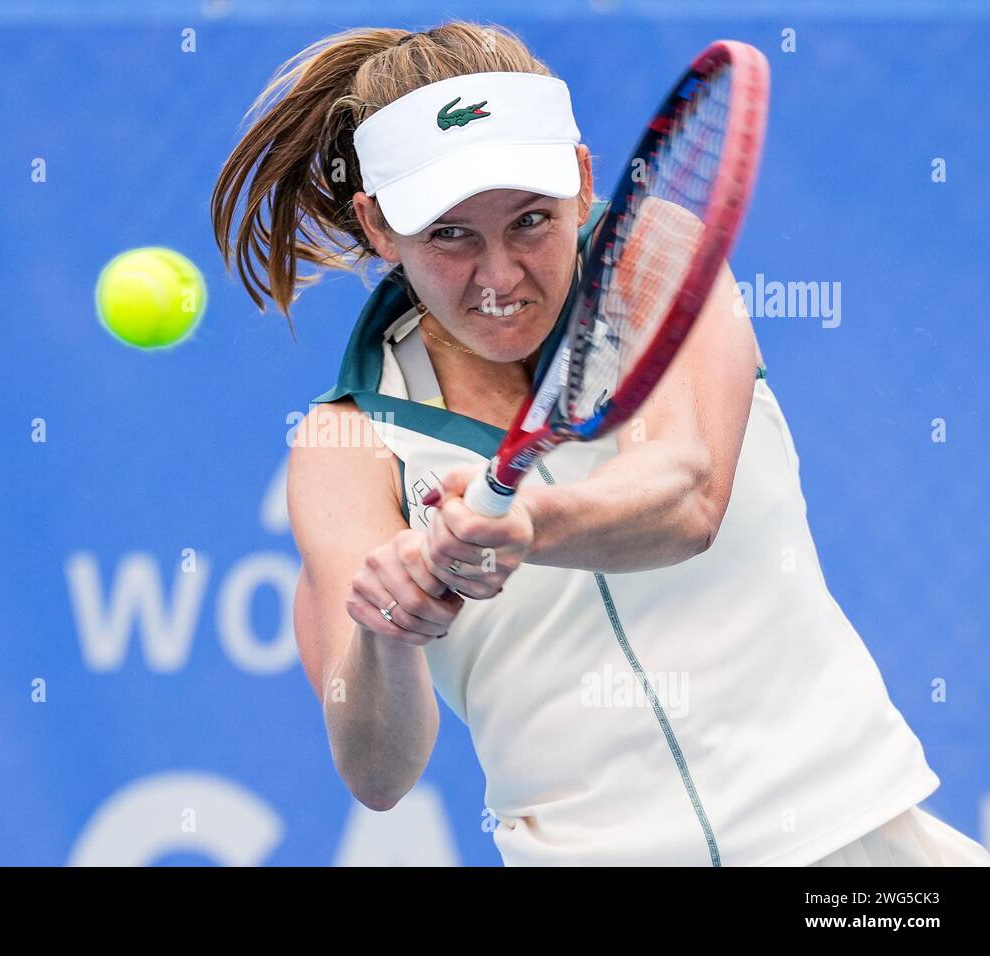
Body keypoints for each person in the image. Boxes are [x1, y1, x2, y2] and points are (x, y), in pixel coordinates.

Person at [210, 22, 989, 866]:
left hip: (855, 847)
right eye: (450, 235)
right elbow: (378, 773)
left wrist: (527, 526)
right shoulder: (342, 446)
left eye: (531, 221)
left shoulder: (653, 256)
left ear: (583, 180)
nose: (500, 275)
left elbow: (687, 497)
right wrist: (389, 628)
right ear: (378, 225)